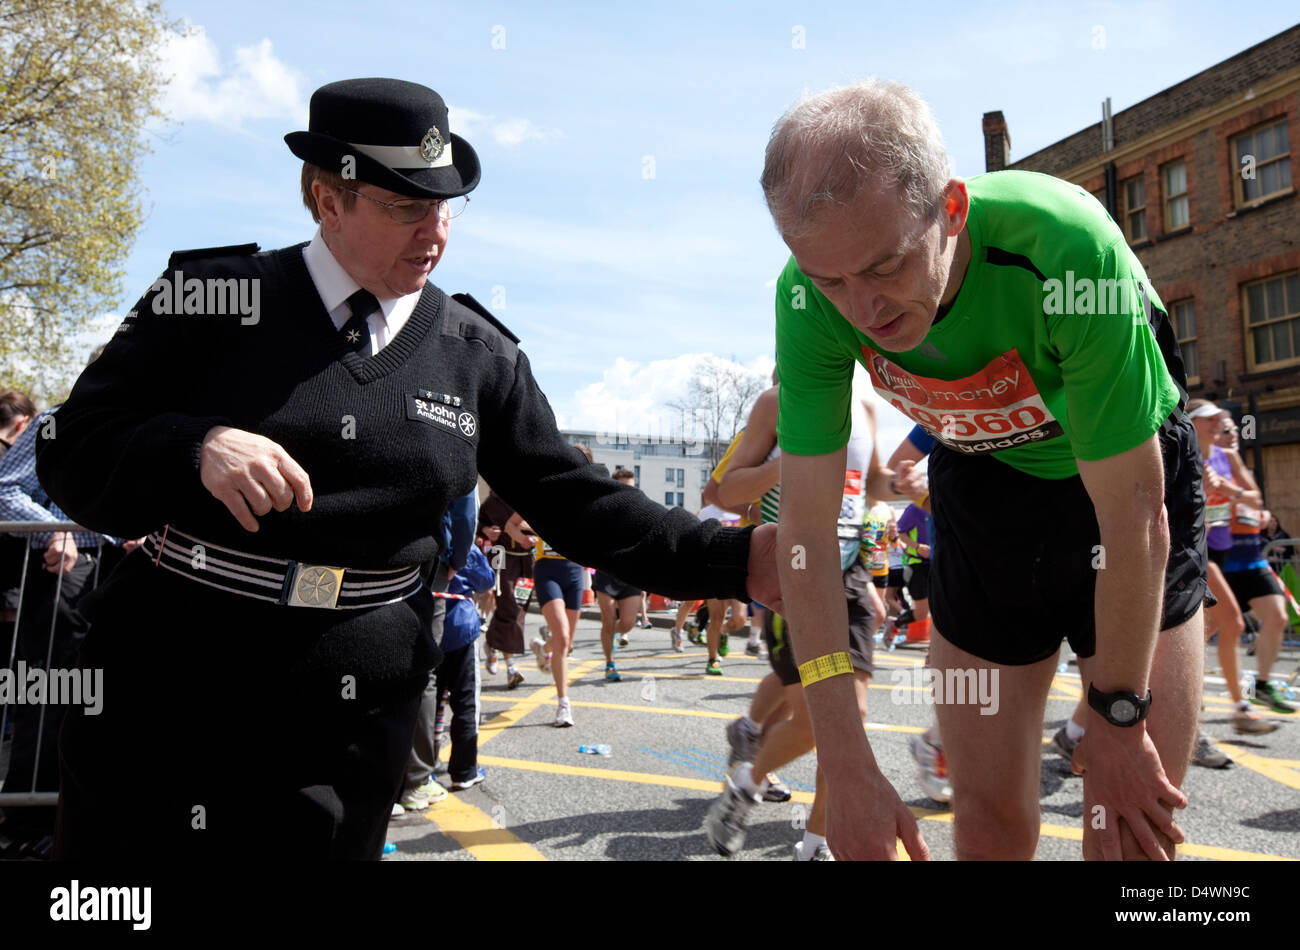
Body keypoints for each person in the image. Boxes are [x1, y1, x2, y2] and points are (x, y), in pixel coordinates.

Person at [34, 78, 780, 860]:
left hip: (351, 721)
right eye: (406, 207)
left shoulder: (477, 355)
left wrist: (731, 559)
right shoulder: (211, 299)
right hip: (169, 692)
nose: (436, 232)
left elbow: (572, 497)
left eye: (447, 207)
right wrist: (195, 447)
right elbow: (68, 444)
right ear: (329, 200)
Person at [764, 80, 1205, 861]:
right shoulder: (808, 297)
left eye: (886, 265)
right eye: (831, 280)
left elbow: (1135, 517)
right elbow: (802, 531)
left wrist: (1119, 717)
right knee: (990, 820)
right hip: (983, 486)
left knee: (1127, 828)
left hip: (1121, 489)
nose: (863, 311)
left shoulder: (1066, 246)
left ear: (954, 209)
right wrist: (844, 759)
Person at [591, 467, 644, 681]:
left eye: (631, 487)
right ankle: (610, 663)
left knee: (629, 623)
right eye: (624, 487)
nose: (628, 491)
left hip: (630, 573)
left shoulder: (640, 509)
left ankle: (611, 637)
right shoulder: (603, 509)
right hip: (606, 572)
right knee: (608, 620)